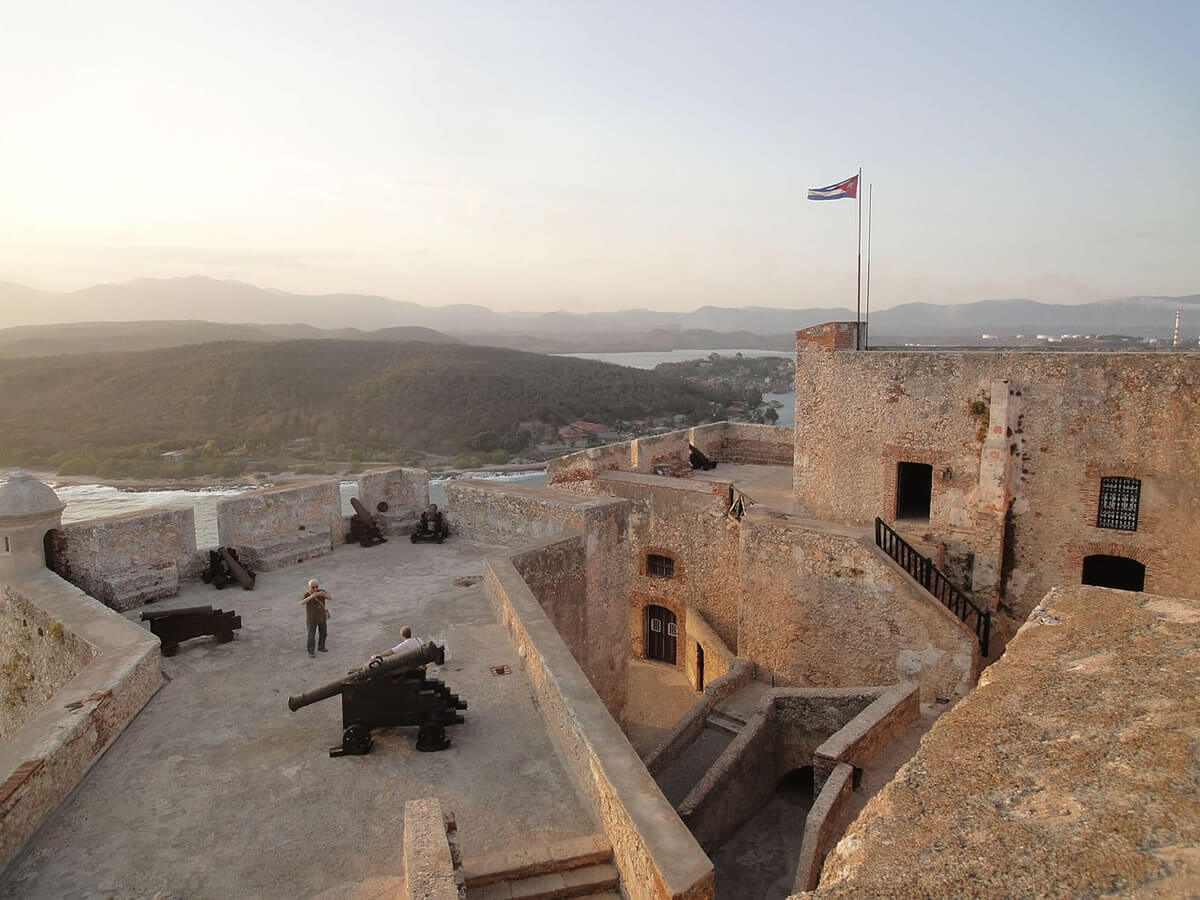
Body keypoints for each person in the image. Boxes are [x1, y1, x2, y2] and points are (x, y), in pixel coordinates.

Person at [300, 578, 330, 657]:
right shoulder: (307, 594)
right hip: (312, 619)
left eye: (316, 586)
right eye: (313, 587)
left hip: (321, 617)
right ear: (309, 587)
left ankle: (321, 647)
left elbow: (330, 597)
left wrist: (323, 594)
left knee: (324, 633)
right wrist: (312, 596)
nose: (315, 589)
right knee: (311, 636)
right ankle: (311, 651)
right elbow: (302, 602)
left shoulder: (321, 591)